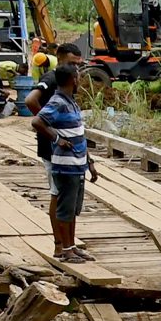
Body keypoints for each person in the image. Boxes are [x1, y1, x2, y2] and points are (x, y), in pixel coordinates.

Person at [32, 63, 98, 264]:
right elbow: (37, 121)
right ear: (73, 80)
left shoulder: (72, 102)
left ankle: (72, 246)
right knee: (65, 208)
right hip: (65, 165)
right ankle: (66, 249)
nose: (80, 81)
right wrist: (56, 138)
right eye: (78, 77)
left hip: (77, 164)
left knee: (72, 209)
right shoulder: (58, 102)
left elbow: (79, 135)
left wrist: (90, 162)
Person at [27, 42, 86, 197]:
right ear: (59, 60)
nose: (75, 68)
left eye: (77, 64)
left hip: (64, 150)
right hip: (51, 145)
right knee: (57, 193)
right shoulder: (52, 78)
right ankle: (57, 222)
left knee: (64, 193)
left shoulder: (68, 81)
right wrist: (50, 127)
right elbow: (30, 100)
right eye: (71, 63)